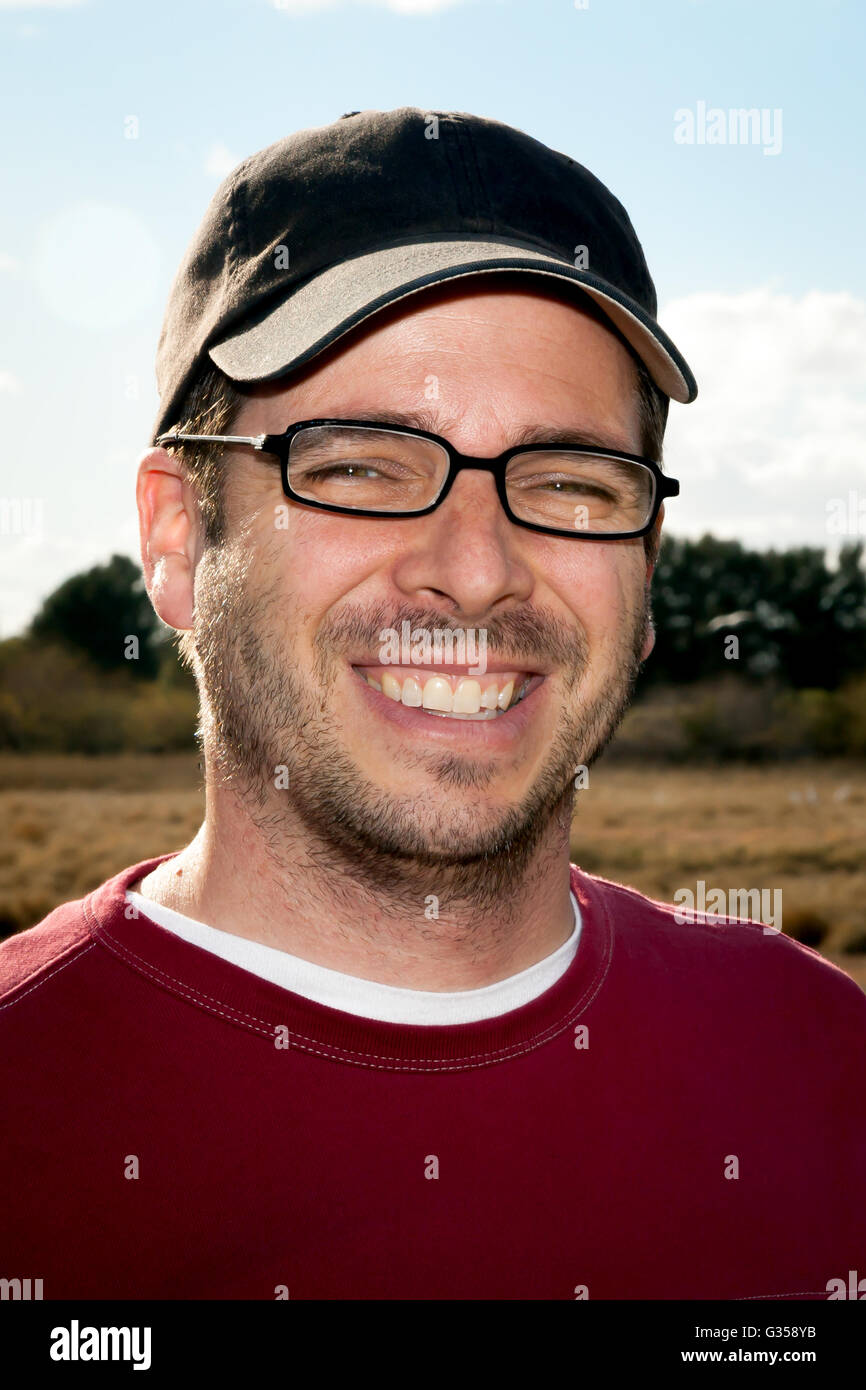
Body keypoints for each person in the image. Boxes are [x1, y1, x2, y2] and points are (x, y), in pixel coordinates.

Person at [1, 108, 863, 1302]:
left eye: (565, 481)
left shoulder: (821, 1058)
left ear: (648, 562)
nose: (473, 565)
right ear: (177, 537)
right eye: (358, 462)